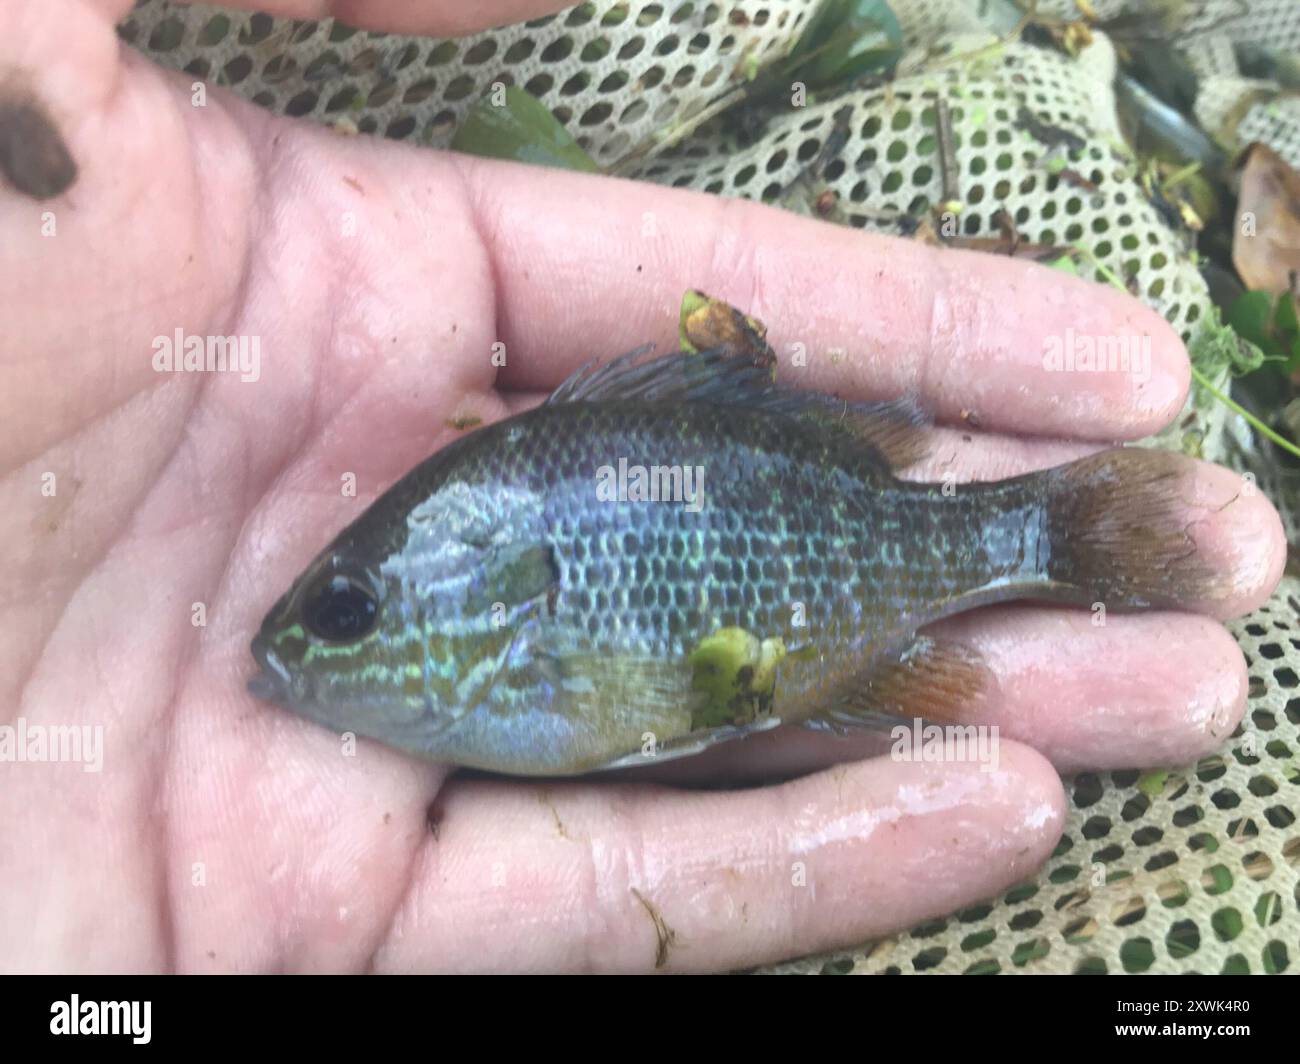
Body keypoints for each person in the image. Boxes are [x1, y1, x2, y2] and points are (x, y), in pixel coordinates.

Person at [0, 0, 1283, 973]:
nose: (297, 645)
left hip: (844, 521)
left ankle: (1059, 528)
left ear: (492, 602)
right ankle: (1059, 527)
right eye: (342, 610)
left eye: (344, 612)